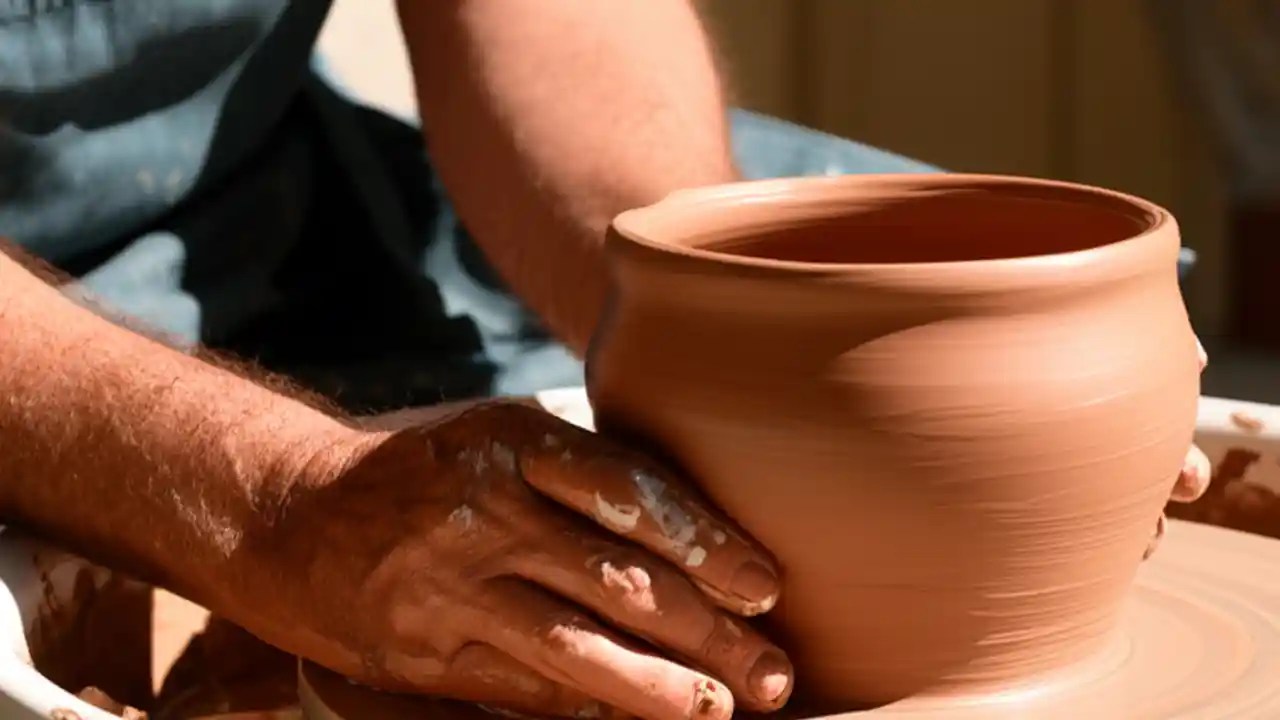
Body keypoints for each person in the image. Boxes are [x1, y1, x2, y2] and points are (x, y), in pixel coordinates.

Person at [0, 2, 1212, 719]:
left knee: (882, 270)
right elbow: (279, 500)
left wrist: (711, 309)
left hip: (256, 194)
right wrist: (281, 504)